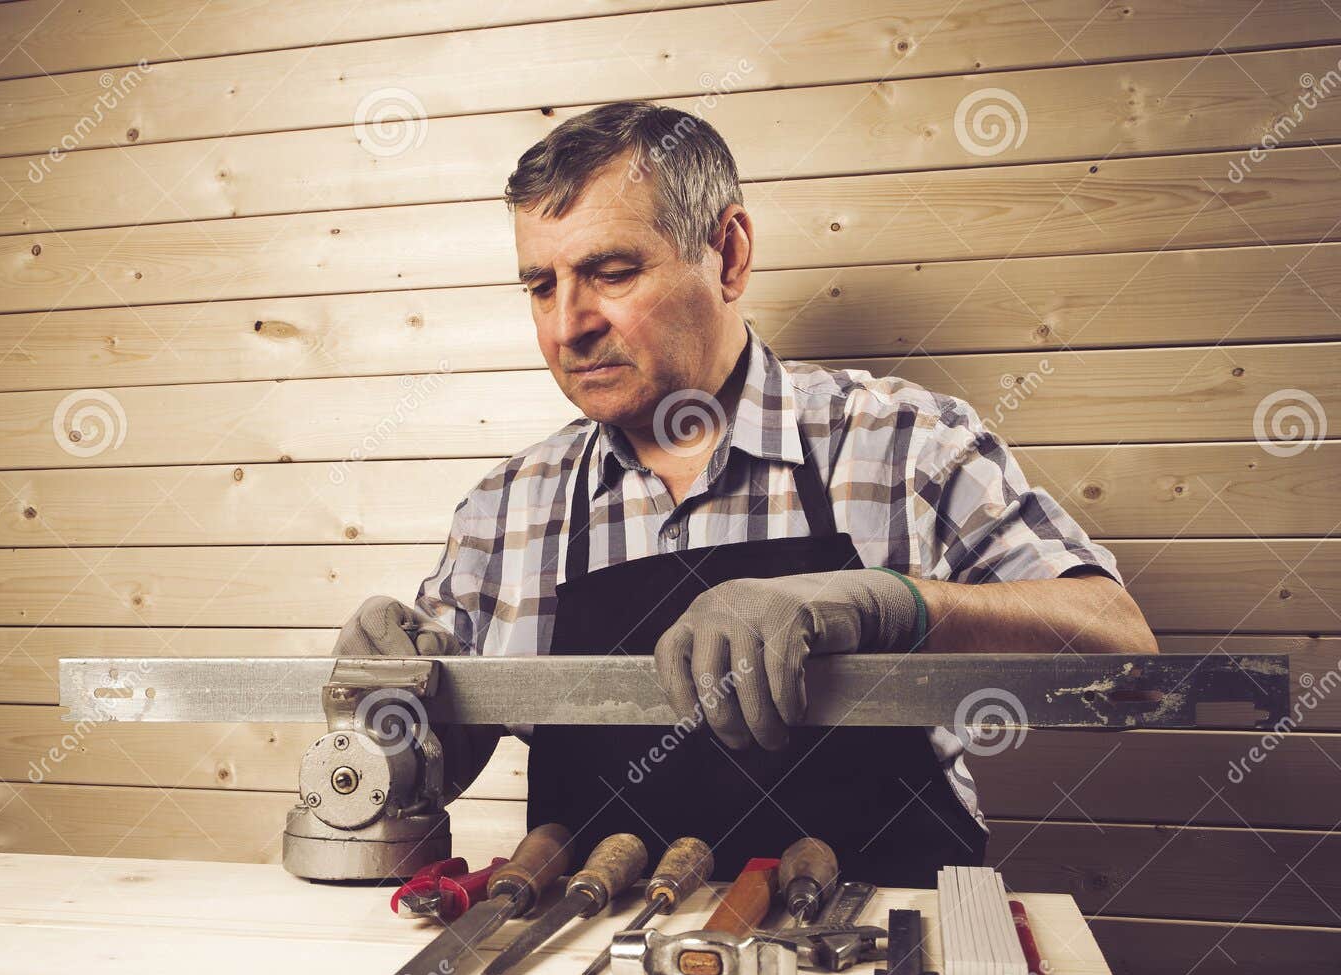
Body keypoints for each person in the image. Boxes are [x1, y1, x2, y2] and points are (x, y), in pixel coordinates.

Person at [334, 101, 1157, 884]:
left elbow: (1122, 649)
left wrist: (888, 604)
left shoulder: (901, 442)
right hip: (593, 969)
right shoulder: (508, 507)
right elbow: (430, 772)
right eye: (541, 287)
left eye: (610, 272)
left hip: (876, 966)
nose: (567, 325)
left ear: (727, 255)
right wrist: (395, 715)